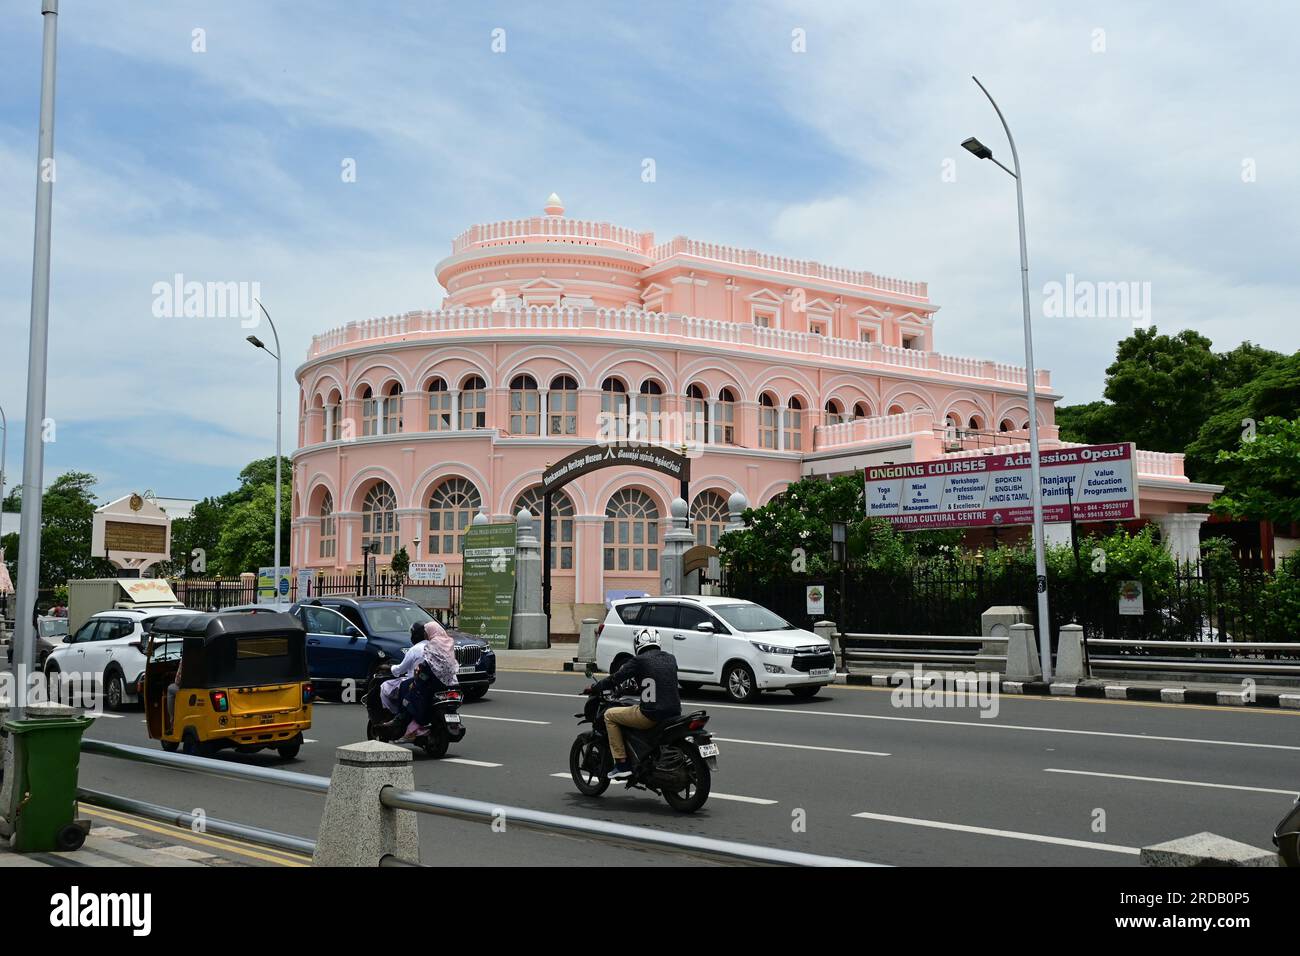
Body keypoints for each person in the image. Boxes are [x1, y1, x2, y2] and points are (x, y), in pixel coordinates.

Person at [585, 628, 681, 780]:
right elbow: (658, 679)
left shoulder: (639, 660)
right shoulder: (671, 658)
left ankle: (622, 764)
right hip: (674, 713)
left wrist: (595, 687)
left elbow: (615, 678)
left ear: (638, 643)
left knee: (610, 715)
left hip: (650, 715)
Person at [380, 620, 459, 740]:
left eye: (427, 632)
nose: (425, 635)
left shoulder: (432, 644)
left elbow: (428, 666)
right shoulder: (448, 642)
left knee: (408, 687)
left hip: (433, 681)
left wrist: (420, 671)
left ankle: (402, 718)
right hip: (451, 682)